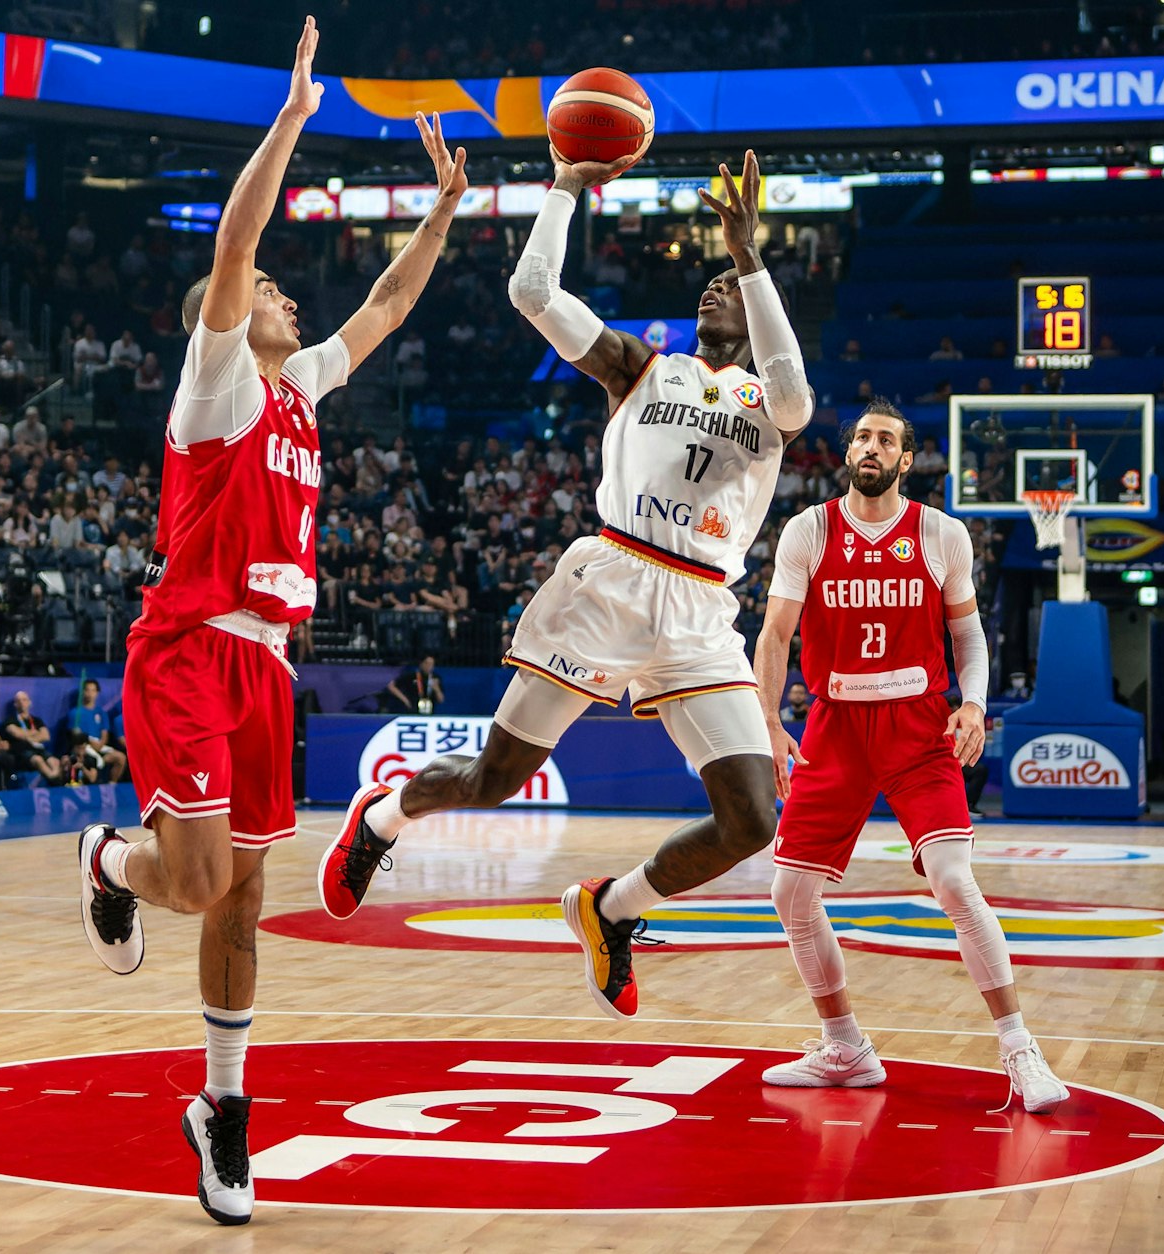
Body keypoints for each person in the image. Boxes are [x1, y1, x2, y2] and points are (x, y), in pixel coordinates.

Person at [74, 21, 466, 1226]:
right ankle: (107, 862)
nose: (290, 299)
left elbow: (386, 306)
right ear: (229, 315)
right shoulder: (219, 384)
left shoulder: (299, 390)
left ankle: (223, 1108)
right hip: (189, 651)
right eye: (272, 293)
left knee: (244, 901)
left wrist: (443, 213)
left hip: (265, 667)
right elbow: (235, 243)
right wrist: (291, 117)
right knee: (196, 883)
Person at [319, 149, 813, 1029]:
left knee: (752, 821)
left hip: (701, 609)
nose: (713, 289)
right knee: (492, 778)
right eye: (708, 282)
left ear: (758, 304)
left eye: (728, 286)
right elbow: (533, 292)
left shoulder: (769, 402)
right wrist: (566, 187)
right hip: (611, 581)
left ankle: (611, 909)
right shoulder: (643, 367)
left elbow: (795, 398)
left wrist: (749, 258)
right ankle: (382, 818)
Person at [748, 401, 1067, 1113]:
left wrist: (974, 703)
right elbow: (774, 636)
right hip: (835, 723)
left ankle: (1019, 1047)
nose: (871, 446)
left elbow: (969, 635)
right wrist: (768, 720)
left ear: (906, 459)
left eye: (885, 439)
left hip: (918, 723)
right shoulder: (808, 530)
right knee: (789, 893)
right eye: (862, 437)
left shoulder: (940, 533)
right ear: (848, 452)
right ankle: (844, 1047)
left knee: (953, 880)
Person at [65, 678, 127, 782]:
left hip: (100, 746)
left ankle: (111, 785)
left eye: (93, 690)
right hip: (85, 747)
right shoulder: (75, 713)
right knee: (86, 758)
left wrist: (100, 744)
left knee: (120, 758)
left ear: (97, 693)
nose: (90, 693)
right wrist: (91, 743)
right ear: (83, 692)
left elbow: (104, 734)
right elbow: (76, 736)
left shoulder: (101, 713)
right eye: (87, 690)